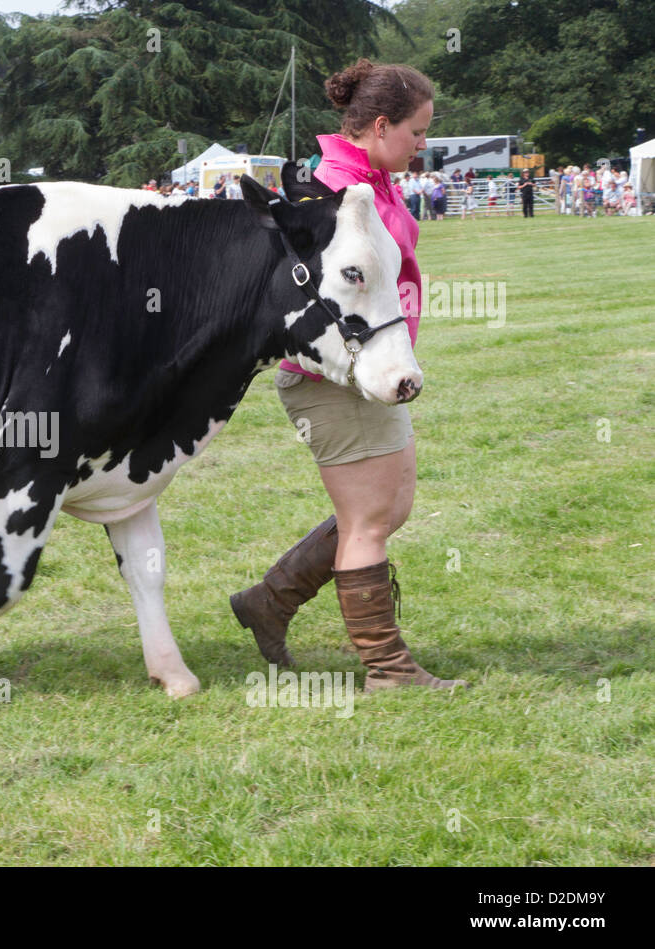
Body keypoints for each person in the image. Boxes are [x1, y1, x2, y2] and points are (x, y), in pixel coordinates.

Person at [229, 57, 465, 690]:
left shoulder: (374, 182)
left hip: (374, 368)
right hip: (329, 377)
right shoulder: (334, 190)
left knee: (392, 507)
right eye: (417, 132)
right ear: (381, 125)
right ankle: (387, 668)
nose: (423, 145)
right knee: (367, 522)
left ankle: (269, 600)